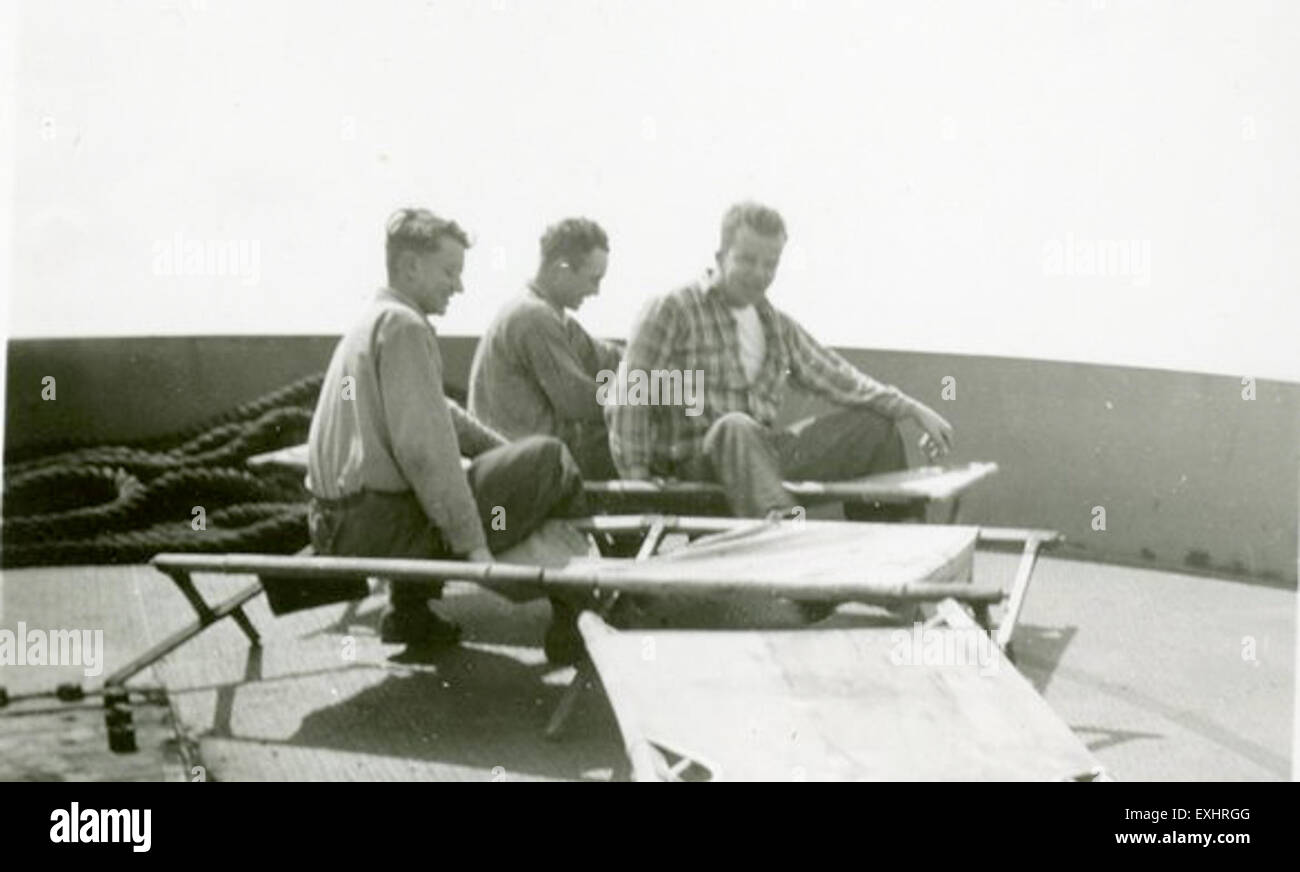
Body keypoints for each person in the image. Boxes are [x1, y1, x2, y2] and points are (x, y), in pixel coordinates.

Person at [305, 208, 590, 659]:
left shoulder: (371, 322)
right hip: (382, 531)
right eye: (450, 272)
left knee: (528, 464)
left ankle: (409, 612)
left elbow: (442, 415)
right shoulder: (406, 328)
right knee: (554, 460)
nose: (458, 285)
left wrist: (508, 459)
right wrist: (474, 546)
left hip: (337, 523)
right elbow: (425, 453)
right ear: (411, 267)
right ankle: (573, 620)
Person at [607, 201, 956, 519]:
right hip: (699, 464)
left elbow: (839, 378)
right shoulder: (673, 309)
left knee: (874, 429)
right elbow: (629, 397)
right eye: (746, 260)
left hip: (765, 460)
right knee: (735, 425)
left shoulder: (776, 326)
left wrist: (912, 409)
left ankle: (892, 558)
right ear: (720, 255)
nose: (759, 273)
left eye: (770, 263)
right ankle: (781, 538)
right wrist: (638, 487)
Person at [468, 218, 621, 479]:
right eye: (593, 280)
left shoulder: (553, 316)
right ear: (561, 268)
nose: (596, 291)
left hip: (527, 458)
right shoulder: (533, 317)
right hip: (519, 468)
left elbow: (608, 357)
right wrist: (651, 398)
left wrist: (661, 367)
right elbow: (578, 401)